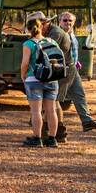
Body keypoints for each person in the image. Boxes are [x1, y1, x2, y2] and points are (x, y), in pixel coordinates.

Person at [57, 12, 96, 132]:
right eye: (65, 20)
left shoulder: (72, 35)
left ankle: (86, 121)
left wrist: (76, 62)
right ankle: (45, 122)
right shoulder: (58, 35)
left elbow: (73, 53)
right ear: (59, 22)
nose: (68, 23)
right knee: (56, 98)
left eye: (70, 21)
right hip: (63, 71)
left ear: (74, 22)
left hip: (73, 70)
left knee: (79, 95)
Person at [30, 11, 72, 142]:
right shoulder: (49, 34)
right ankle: (57, 133)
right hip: (56, 69)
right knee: (55, 102)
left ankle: (46, 133)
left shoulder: (55, 34)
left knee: (51, 103)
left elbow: (45, 53)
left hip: (60, 71)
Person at [19, 16, 61, 148]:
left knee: (36, 111)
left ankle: (37, 139)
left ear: (28, 29)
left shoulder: (28, 44)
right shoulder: (52, 41)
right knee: (51, 110)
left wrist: (23, 75)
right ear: (42, 27)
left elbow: (25, 63)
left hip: (34, 79)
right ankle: (52, 138)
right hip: (52, 79)